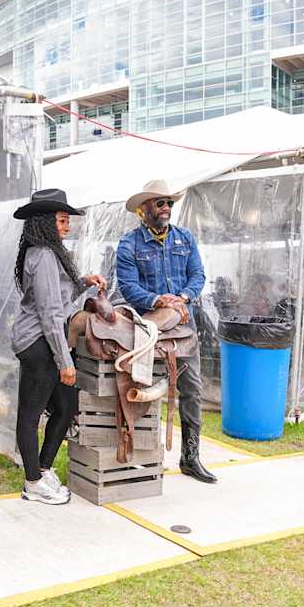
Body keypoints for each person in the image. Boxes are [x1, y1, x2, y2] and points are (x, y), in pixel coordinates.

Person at [10, 188, 108, 505]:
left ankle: (42, 468)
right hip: (39, 343)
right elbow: (51, 313)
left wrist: (84, 281)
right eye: (63, 221)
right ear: (45, 223)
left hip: (49, 338)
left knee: (66, 408)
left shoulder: (50, 253)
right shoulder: (42, 256)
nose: (68, 226)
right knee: (30, 415)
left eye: (68, 221)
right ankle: (32, 483)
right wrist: (65, 361)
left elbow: (59, 299)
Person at [115, 179, 215, 484]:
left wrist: (182, 298)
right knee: (141, 388)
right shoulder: (129, 244)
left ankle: (190, 457)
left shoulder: (185, 238)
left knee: (192, 389)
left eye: (169, 203)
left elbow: (197, 275)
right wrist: (158, 300)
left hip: (184, 322)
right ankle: (138, 456)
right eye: (160, 203)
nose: (167, 208)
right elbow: (128, 286)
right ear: (144, 209)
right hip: (150, 327)